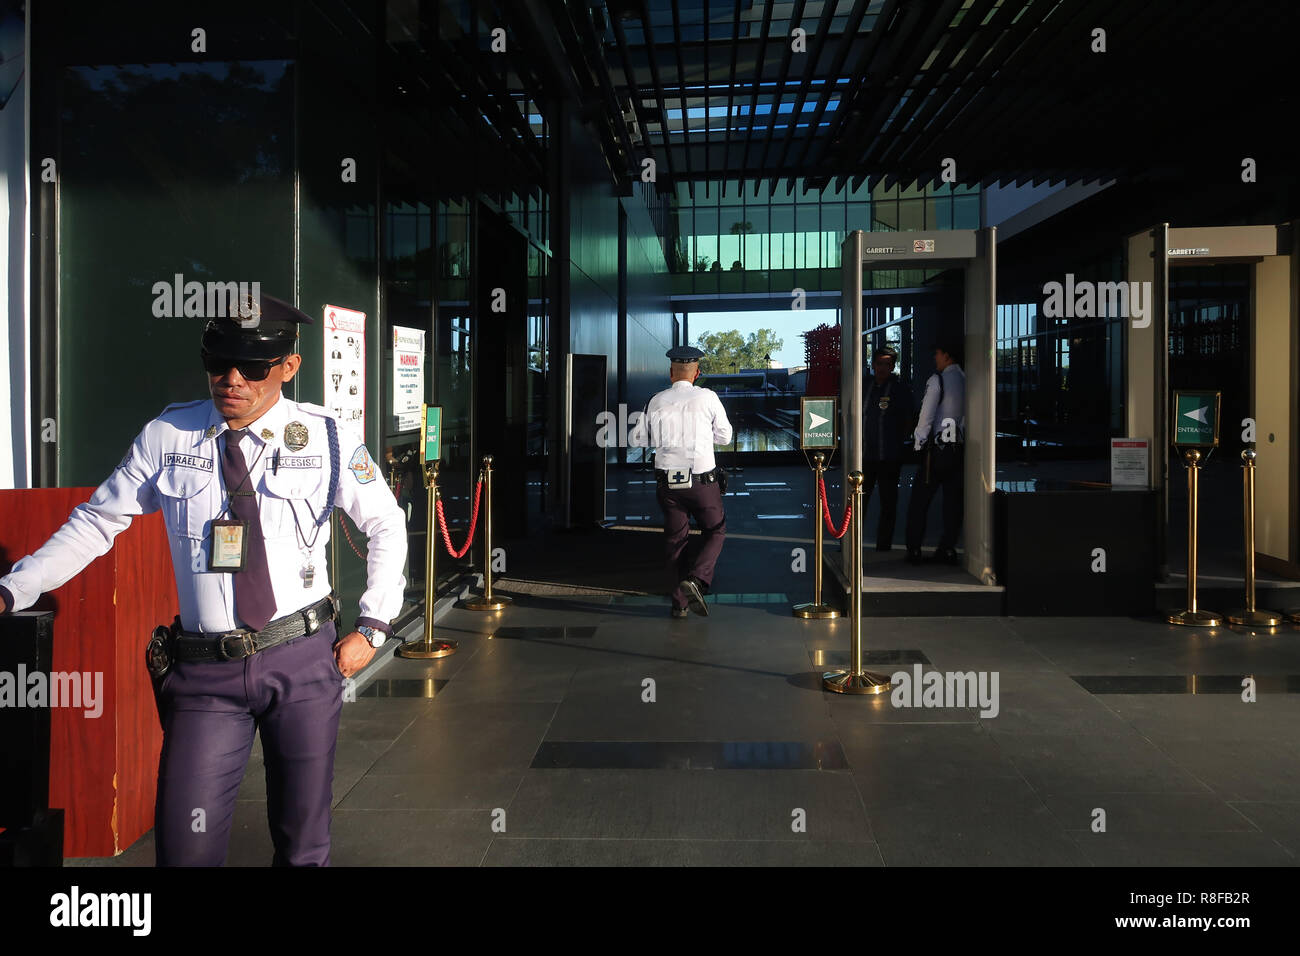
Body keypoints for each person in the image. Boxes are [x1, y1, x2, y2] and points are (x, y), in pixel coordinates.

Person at [0, 293, 408, 866]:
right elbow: (97, 522)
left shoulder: (326, 437)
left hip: (302, 660)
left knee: (303, 844)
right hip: (205, 673)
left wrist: (373, 626)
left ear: (289, 367)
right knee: (185, 848)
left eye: (253, 367)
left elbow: (386, 522)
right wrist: (12, 588)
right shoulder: (170, 435)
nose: (232, 379)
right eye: (218, 363)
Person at [632, 345, 733, 618]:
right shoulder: (708, 397)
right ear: (697, 373)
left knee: (676, 540)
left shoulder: (655, 400)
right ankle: (697, 579)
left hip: (667, 484)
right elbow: (725, 436)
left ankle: (679, 605)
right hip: (702, 483)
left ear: (670, 373)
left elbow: (638, 440)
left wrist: (664, 440)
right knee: (716, 530)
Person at [905, 340, 965, 565]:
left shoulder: (937, 380)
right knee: (953, 503)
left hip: (936, 451)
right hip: (958, 449)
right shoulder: (965, 379)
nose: (935, 358)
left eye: (938, 353)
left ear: (947, 355)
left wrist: (918, 444)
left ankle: (914, 549)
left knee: (920, 502)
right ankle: (947, 547)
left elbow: (926, 416)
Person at [861, 346, 915, 552]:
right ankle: (850, 543)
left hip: (889, 458)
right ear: (873, 365)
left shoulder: (900, 389)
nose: (882, 368)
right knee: (859, 502)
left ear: (892, 366)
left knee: (888, 504)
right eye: (879, 363)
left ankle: (883, 547)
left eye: (887, 364)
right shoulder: (863, 386)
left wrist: (897, 441)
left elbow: (909, 419)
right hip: (864, 457)